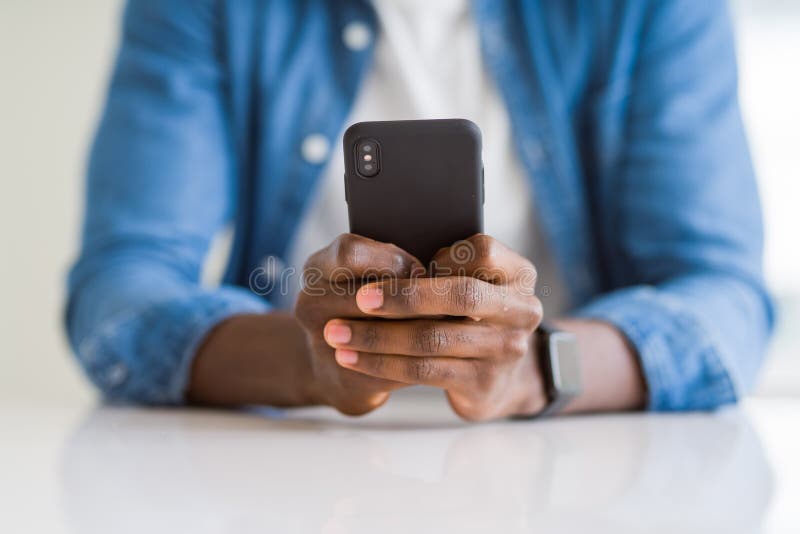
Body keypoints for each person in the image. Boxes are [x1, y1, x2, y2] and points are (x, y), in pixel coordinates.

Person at [65, 0, 773, 420]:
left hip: (568, 451)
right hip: (292, 448)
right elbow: (122, 288)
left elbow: (726, 297)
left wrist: (535, 370)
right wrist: (310, 362)